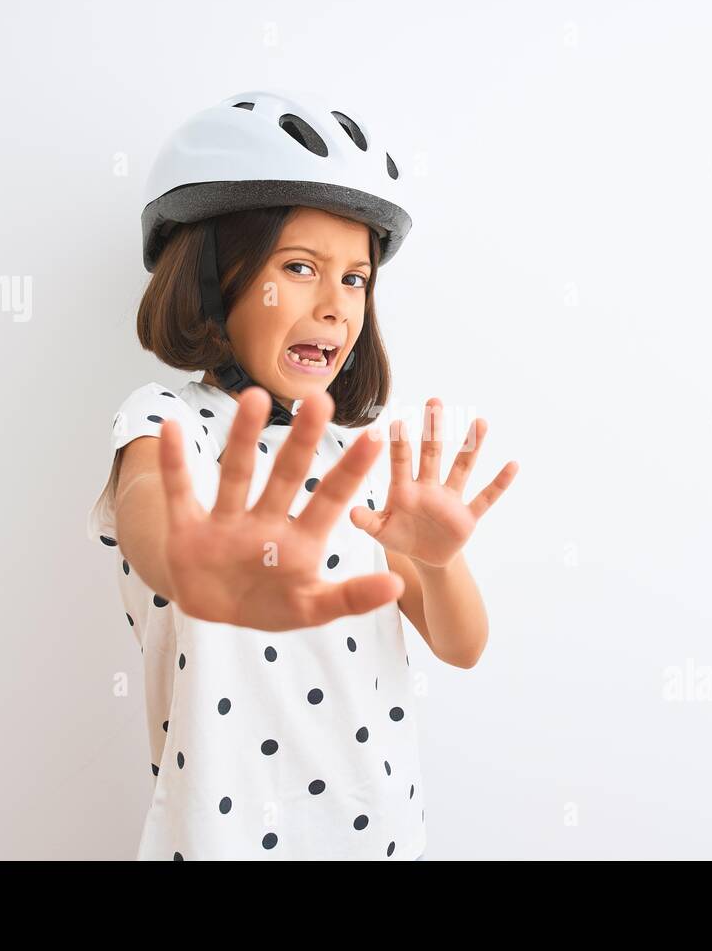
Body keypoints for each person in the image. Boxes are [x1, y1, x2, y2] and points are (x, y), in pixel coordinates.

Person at [87, 89, 518, 860]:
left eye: (355, 278)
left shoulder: (350, 458)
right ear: (214, 276)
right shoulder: (161, 419)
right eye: (299, 266)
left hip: (380, 832)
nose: (334, 305)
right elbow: (151, 512)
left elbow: (462, 644)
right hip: (223, 839)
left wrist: (440, 561)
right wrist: (195, 561)